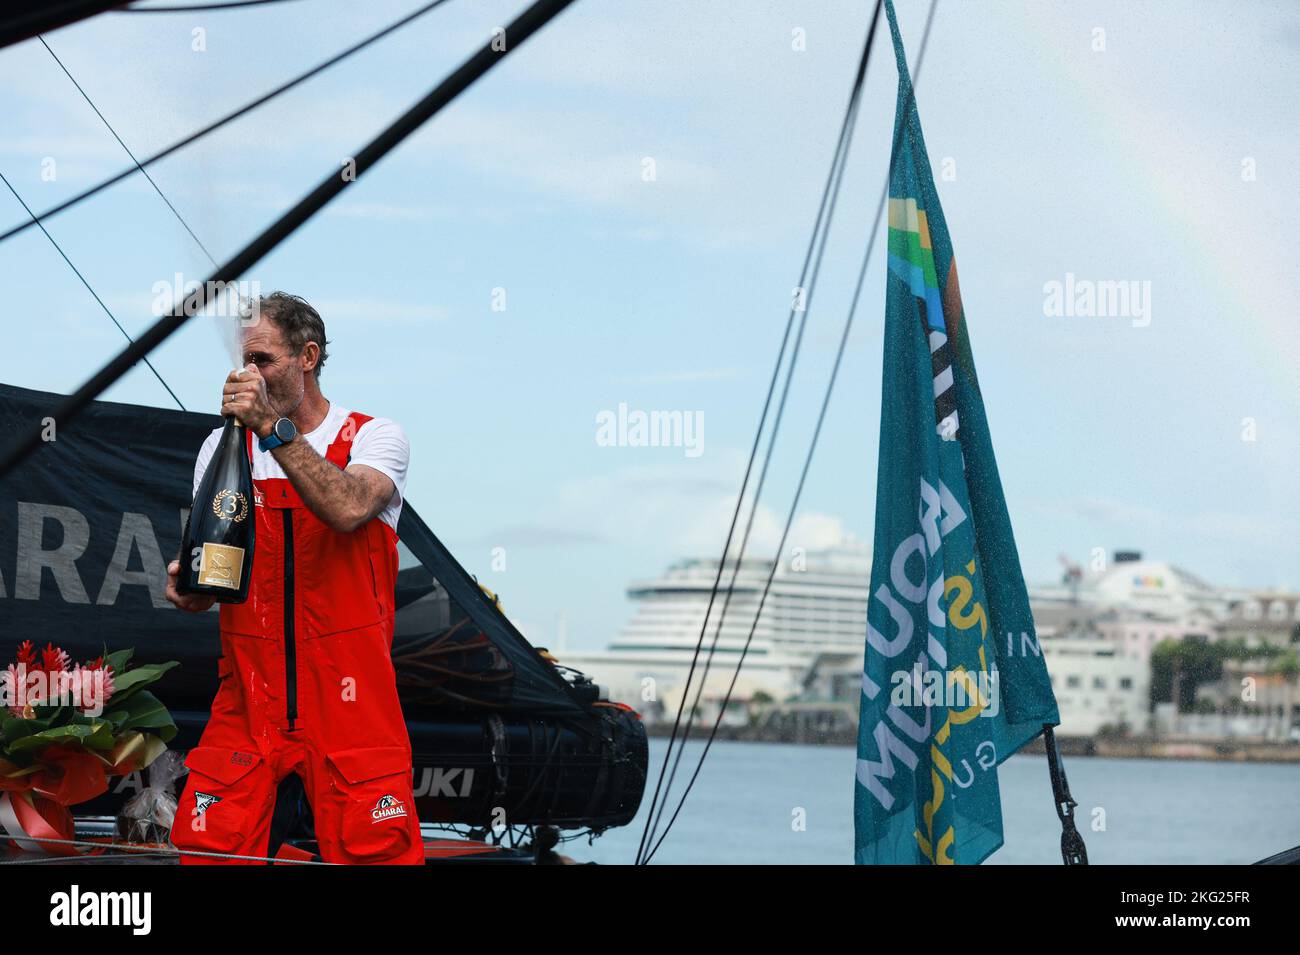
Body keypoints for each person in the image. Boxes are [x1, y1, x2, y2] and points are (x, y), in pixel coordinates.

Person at [165, 291, 423, 865]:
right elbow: (215, 571)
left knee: (375, 854)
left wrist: (273, 429)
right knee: (210, 850)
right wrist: (192, 587)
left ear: (308, 356)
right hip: (248, 697)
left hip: (352, 701)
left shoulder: (376, 436)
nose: (246, 373)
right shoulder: (220, 446)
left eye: (263, 360)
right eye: (243, 360)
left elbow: (349, 507)